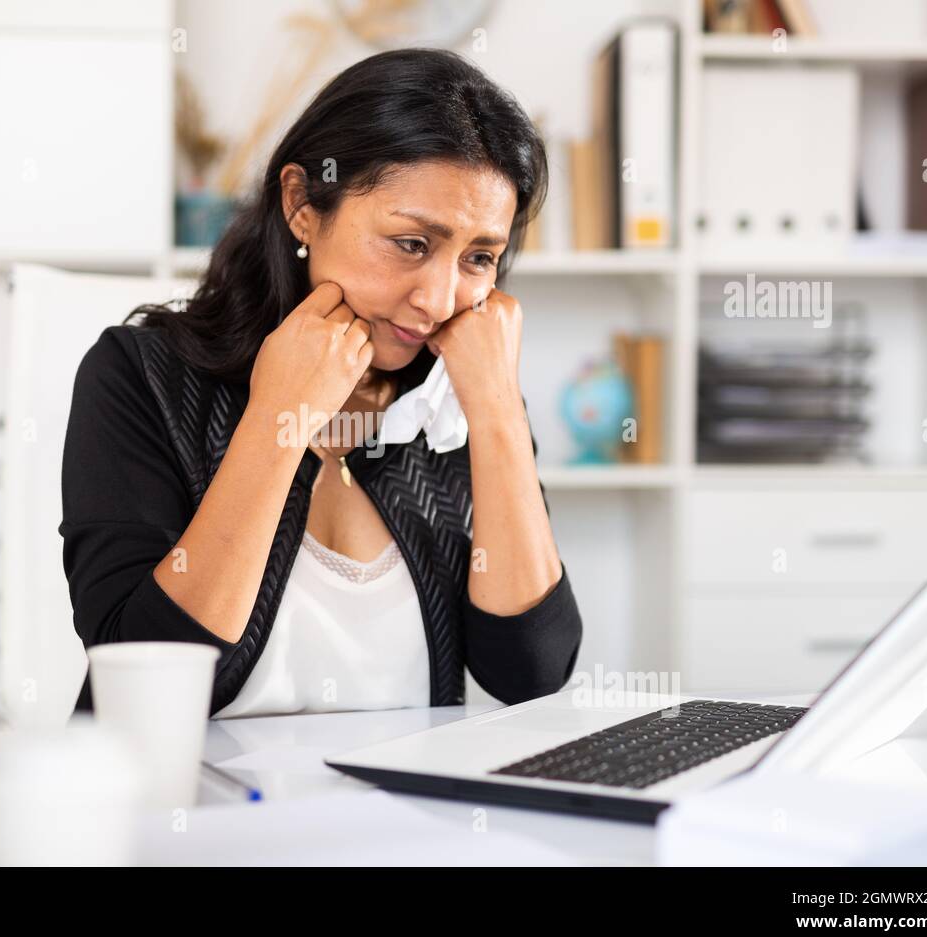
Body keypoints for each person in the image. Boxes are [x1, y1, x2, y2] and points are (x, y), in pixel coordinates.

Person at [60, 48, 582, 718]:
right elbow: (142, 684)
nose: (440, 299)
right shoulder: (138, 377)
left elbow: (530, 671)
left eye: (480, 257)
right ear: (303, 204)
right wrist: (280, 416)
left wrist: (499, 413)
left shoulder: (455, 400)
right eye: (413, 244)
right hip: (187, 813)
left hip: (394, 817)